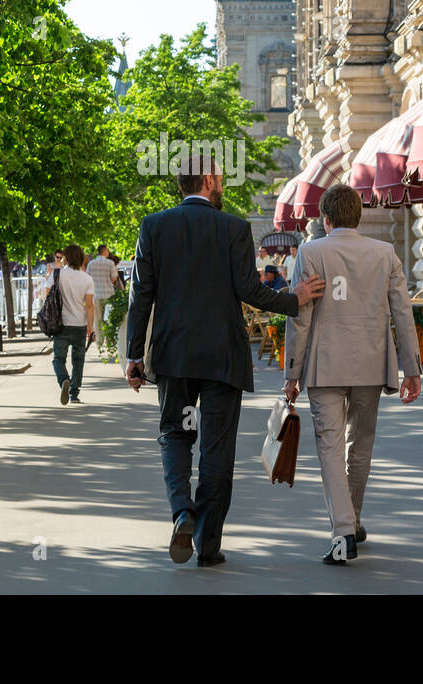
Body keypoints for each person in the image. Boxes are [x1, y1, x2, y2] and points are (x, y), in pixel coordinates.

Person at [125, 158, 325, 568]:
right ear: (210, 180)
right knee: (217, 449)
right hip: (222, 357)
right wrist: (295, 298)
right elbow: (250, 290)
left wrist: (134, 356)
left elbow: (141, 295)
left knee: (176, 436)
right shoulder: (233, 227)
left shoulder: (154, 226)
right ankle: (208, 545)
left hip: (174, 356)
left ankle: (182, 511)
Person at [283, 183, 423, 565]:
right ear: (358, 217)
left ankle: (343, 530)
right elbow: (403, 313)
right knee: (360, 447)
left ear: (325, 219)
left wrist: (291, 373)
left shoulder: (311, 252)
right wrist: (411, 368)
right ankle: (353, 521)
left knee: (329, 446)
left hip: (324, 365)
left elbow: (301, 318)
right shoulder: (385, 254)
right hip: (370, 364)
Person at [49, 244, 94, 405]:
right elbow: (89, 305)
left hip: (61, 324)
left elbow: (46, 294)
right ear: (81, 258)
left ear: (65, 257)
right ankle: (74, 393)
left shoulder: (57, 274)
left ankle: (64, 381)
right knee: (78, 360)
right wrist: (91, 327)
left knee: (58, 359)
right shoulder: (87, 278)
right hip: (80, 324)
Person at [86, 245, 120, 351]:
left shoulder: (91, 264)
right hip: (108, 293)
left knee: (98, 318)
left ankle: (100, 341)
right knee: (109, 317)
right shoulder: (110, 263)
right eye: (107, 251)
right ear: (104, 252)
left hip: (96, 294)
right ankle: (110, 340)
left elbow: (88, 277)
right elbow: (114, 278)